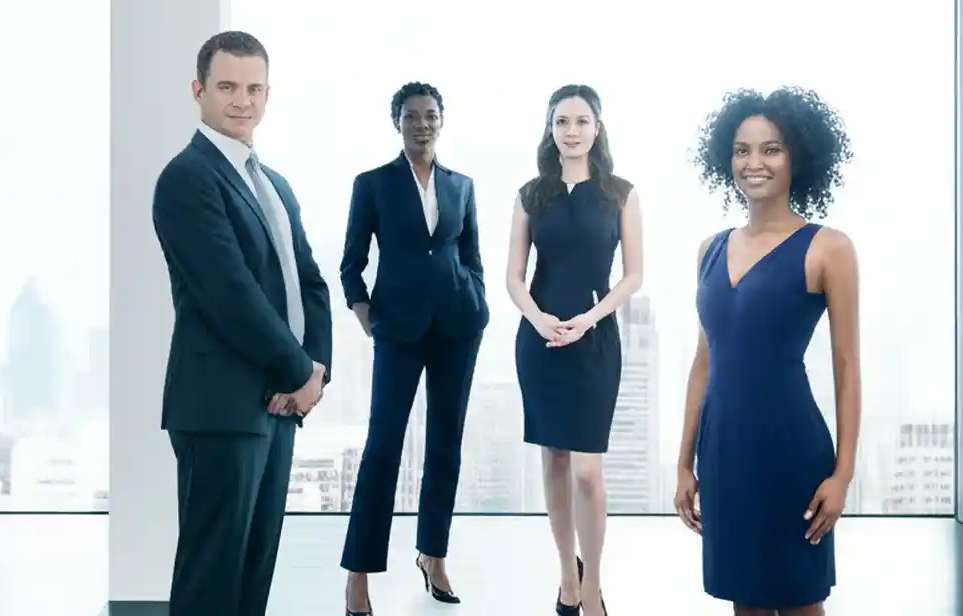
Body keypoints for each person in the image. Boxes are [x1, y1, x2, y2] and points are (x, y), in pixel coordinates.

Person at [151, 30, 333, 616]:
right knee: (211, 583)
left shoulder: (273, 183)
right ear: (198, 90)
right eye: (227, 86)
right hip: (221, 407)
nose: (242, 100)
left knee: (253, 580)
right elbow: (230, 294)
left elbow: (309, 281)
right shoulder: (187, 178)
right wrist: (297, 371)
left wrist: (315, 371)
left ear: (267, 95)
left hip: (279, 405)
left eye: (254, 89)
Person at [674, 87, 861, 616]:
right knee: (746, 603)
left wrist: (842, 475)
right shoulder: (710, 249)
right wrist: (684, 463)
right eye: (742, 150)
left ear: (798, 156)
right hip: (724, 453)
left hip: (791, 451)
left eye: (771, 149)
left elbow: (847, 368)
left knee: (801, 601)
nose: (753, 162)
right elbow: (704, 363)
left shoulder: (829, 248)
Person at [339, 81, 489, 615]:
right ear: (397, 123)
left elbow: (471, 254)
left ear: (441, 121)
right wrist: (366, 316)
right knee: (383, 447)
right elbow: (351, 263)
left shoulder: (461, 186)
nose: (421, 124)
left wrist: (476, 299)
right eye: (411, 116)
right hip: (398, 330)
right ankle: (358, 574)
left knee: (446, 444)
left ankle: (433, 555)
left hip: (457, 328)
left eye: (430, 115)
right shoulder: (373, 184)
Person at [506, 84, 643, 616]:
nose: (571, 131)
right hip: (540, 341)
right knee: (555, 461)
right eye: (562, 121)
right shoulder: (530, 195)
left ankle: (592, 587)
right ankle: (568, 577)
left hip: (595, 339)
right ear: (550, 129)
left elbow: (633, 276)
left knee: (588, 471)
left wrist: (589, 319)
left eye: (581, 121)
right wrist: (538, 318)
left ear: (597, 128)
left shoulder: (621, 194)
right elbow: (514, 277)